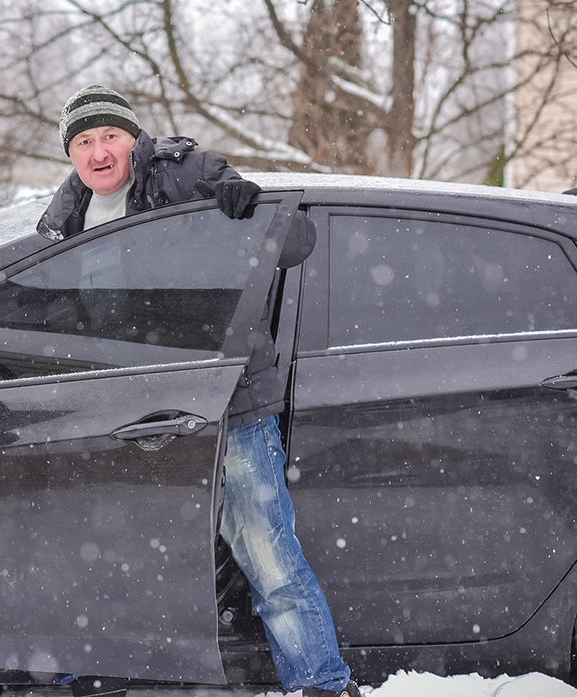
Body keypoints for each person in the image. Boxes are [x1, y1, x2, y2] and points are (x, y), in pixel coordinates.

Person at [38, 84, 360, 697]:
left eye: (110, 136)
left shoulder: (186, 175)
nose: (98, 152)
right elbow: (59, 316)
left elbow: (296, 242)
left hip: (227, 401)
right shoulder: (66, 217)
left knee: (269, 559)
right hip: (134, 415)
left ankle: (321, 684)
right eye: (83, 142)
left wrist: (248, 206)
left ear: (134, 138)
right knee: (112, 551)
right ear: (70, 154)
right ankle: (100, 676)